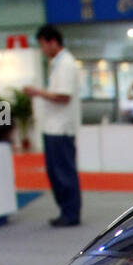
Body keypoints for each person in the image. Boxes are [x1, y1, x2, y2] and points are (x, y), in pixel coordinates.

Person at [24, 24, 82, 226]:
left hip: (61, 127)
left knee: (63, 171)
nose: (42, 50)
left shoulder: (66, 63)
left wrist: (37, 92)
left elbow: (63, 95)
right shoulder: (58, 63)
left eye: (42, 45)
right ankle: (66, 211)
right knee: (55, 171)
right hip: (54, 126)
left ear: (52, 42)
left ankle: (70, 212)